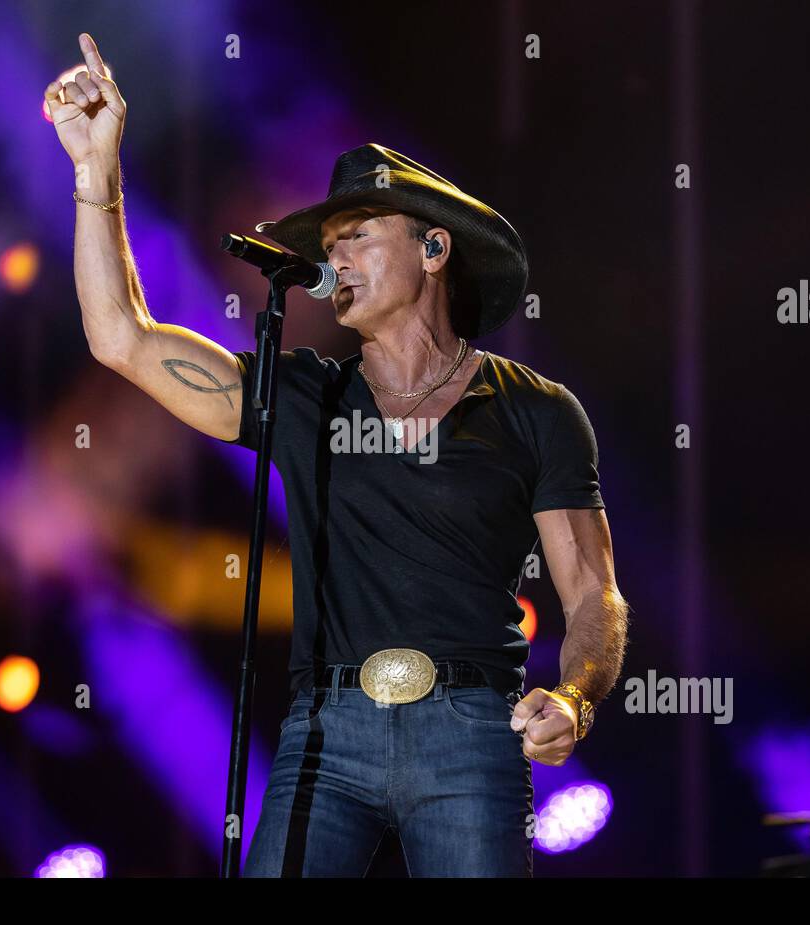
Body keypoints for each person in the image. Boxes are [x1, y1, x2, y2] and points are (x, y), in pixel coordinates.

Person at [45, 32, 629, 877]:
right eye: (332, 240)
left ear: (433, 250)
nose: (336, 255)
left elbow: (593, 593)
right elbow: (122, 338)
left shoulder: (534, 411)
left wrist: (573, 698)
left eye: (360, 234)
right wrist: (95, 174)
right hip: (328, 735)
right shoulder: (305, 395)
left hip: (471, 727)